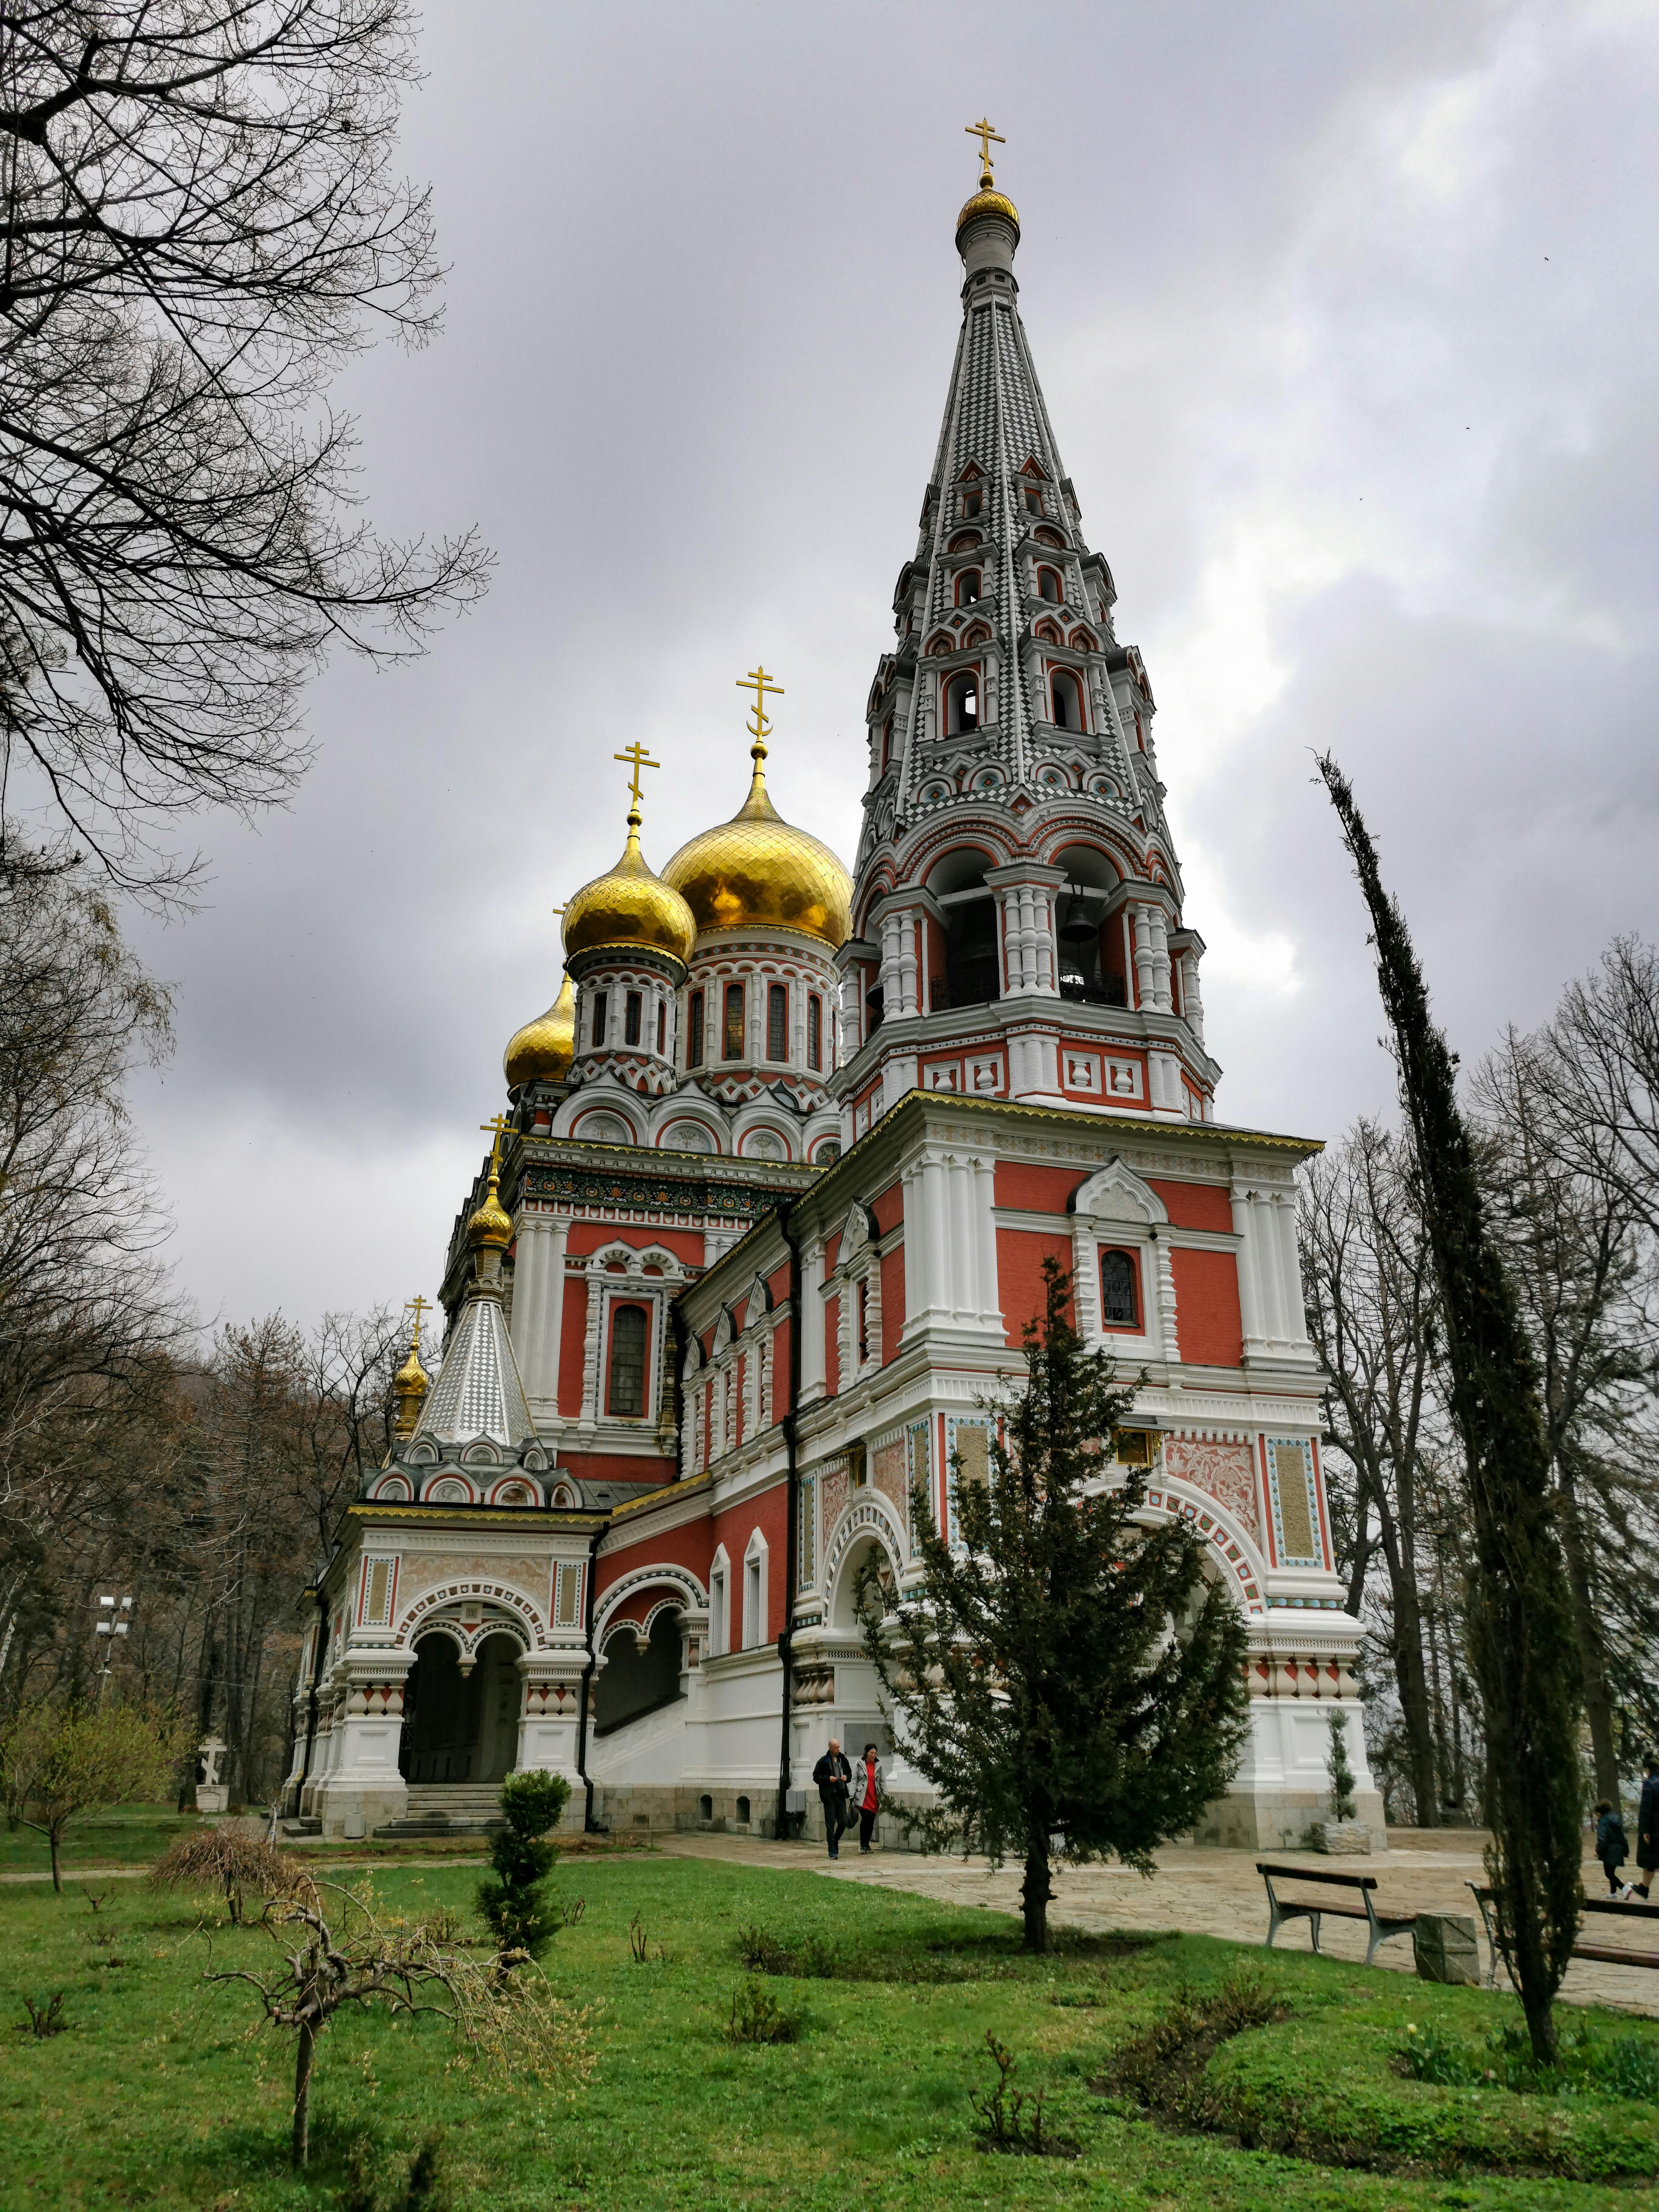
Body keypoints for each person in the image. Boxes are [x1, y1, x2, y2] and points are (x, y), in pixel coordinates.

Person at [812, 1737, 853, 1860]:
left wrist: (847, 1777)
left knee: (844, 1822)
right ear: (830, 1748)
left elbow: (850, 1774)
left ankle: (835, 1841)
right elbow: (816, 1777)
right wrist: (828, 1779)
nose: (838, 1750)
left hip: (841, 1795)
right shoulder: (823, 1761)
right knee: (830, 1823)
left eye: (839, 1747)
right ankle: (832, 1850)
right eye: (836, 1748)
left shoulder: (842, 1759)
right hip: (829, 1797)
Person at [1626, 1753, 1659, 1900]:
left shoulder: (1649, 1785)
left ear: (1648, 1770)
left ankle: (1645, 1887)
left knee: (1650, 1860)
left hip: (1654, 1829)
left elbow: (1646, 1809)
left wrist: (1645, 1831)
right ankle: (1644, 1887)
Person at [1594, 1798, 1628, 1894]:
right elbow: (1622, 1837)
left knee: (1609, 1874)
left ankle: (1624, 1888)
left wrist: (1598, 1851)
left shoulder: (1603, 1823)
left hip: (1609, 1852)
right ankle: (1613, 1893)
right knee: (1611, 1873)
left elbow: (1602, 1839)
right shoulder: (1616, 1820)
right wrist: (1626, 1850)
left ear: (1599, 1813)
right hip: (1618, 1850)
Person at [855, 1742, 882, 1854]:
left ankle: (867, 1845)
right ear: (867, 1753)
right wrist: (852, 1795)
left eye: (875, 1753)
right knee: (865, 1819)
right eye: (871, 1753)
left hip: (874, 1798)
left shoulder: (878, 1765)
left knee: (871, 1822)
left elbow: (883, 1781)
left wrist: (885, 1795)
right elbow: (854, 1779)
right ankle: (862, 1844)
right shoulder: (859, 1764)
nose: (873, 1755)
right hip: (863, 1797)